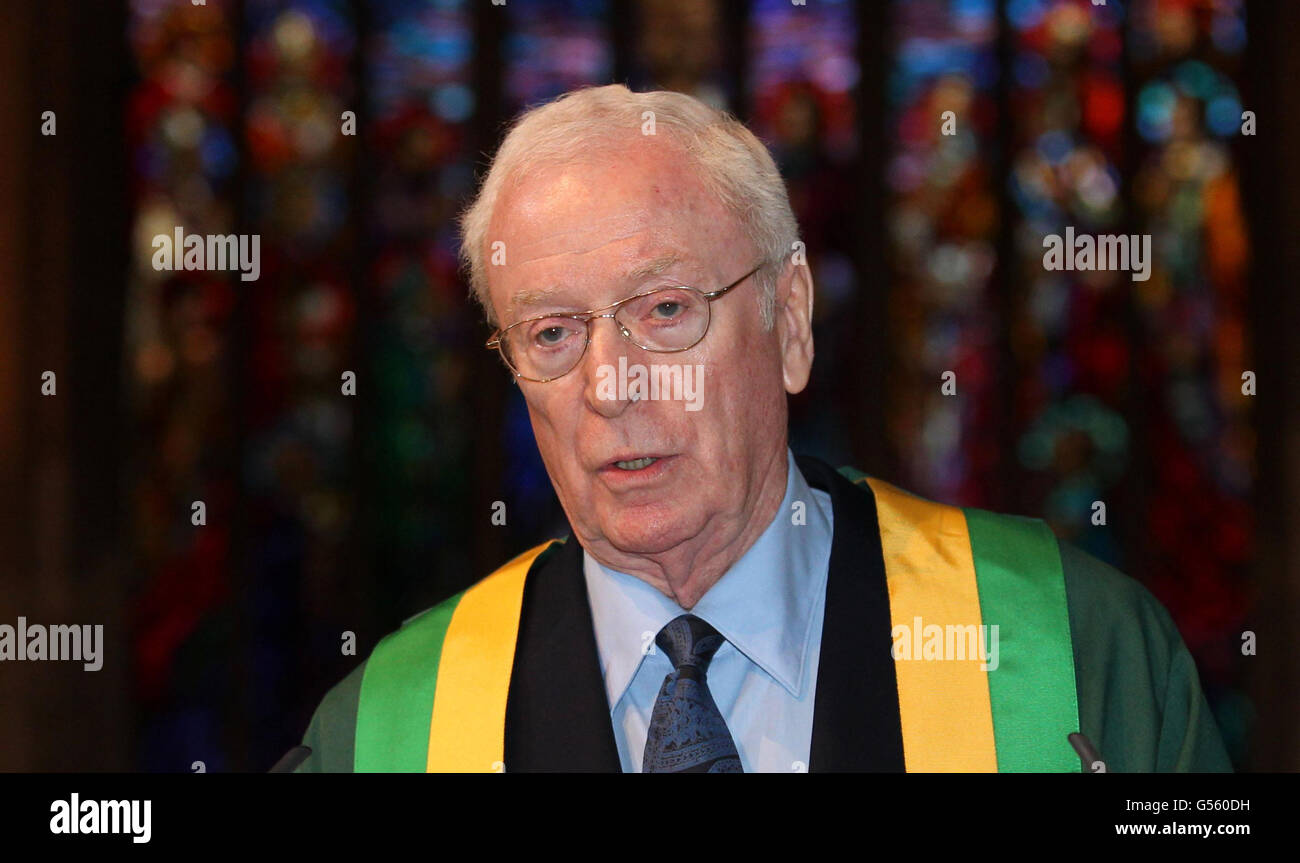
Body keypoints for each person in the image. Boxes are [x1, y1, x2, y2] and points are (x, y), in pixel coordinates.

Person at [294, 85, 1231, 773]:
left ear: (789, 320)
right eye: (552, 332)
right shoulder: (386, 734)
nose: (609, 384)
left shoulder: (1074, 657)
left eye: (664, 310)